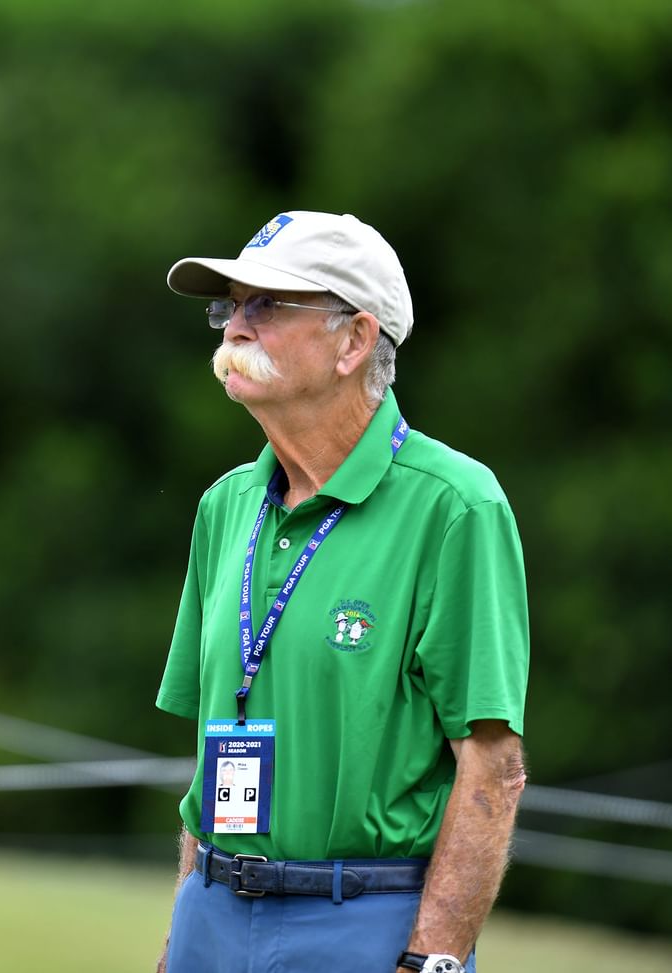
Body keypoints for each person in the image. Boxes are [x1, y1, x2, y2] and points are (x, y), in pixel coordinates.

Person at [153, 211, 528, 973]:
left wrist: (434, 961)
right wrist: (180, 939)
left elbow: (492, 765)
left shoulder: (456, 505)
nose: (235, 327)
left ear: (354, 342)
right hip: (213, 915)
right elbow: (210, 757)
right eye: (230, 306)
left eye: (268, 306)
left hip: (363, 924)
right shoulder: (225, 506)